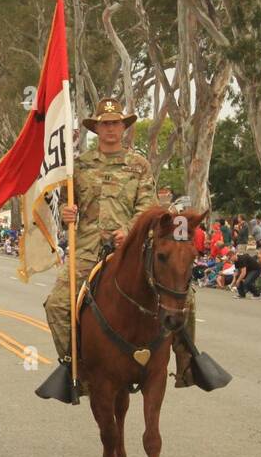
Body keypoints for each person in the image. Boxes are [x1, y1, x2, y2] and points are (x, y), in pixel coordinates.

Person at [45, 97, 204, 388]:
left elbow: (150, 209)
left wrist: (129, 230)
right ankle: (74, 367)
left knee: (186, 297)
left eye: (115, 123)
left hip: (131, 250)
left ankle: (187, 363)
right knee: (56, 304)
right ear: (97, 129)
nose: (110, 128)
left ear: (123, 127)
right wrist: (67, 213)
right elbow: (64, 205)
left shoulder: (139, 165)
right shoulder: (78, 167)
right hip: (89, 248)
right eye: (105, 124)